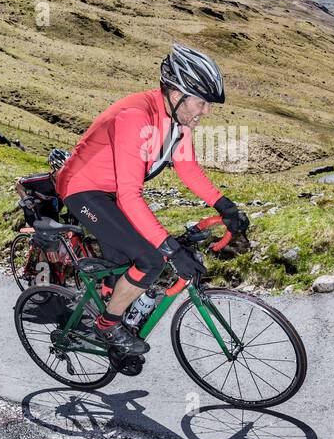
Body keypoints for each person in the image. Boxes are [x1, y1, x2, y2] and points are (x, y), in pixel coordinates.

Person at [55, 44, 249, 364]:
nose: (206, 111)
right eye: (201, 102)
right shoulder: (136, 117)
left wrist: (224, 205)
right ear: (176, 95)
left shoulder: (176, 121)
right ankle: (107, 325)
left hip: (113, 192)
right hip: (84, 190)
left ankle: (106, 299)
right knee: (150, 259)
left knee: (133, 256)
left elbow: (187, 168)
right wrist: (170, 250)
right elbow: (131, 196)